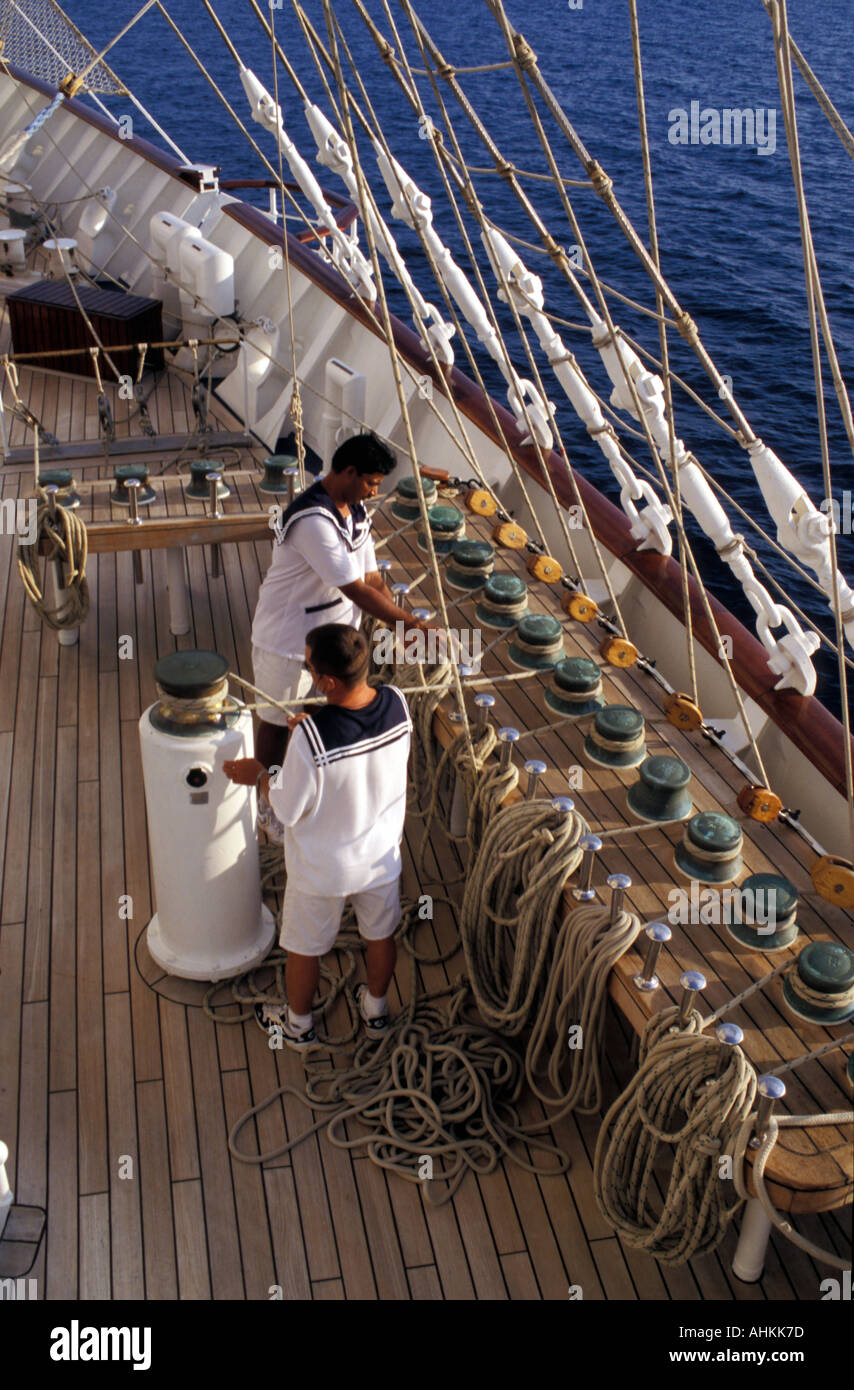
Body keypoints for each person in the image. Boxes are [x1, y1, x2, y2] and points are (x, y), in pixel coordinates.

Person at [223, 623, 411, 1050]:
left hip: (323, 871)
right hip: (380, 859)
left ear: (326, 681)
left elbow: (288, 810)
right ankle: (376, 1013)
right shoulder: (398, 705)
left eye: (309, 667)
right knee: (381, 935)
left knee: (304, 949)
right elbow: (357, 745)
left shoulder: (311, 737)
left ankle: (298, 1027)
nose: (306, 674)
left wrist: (262, 775)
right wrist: (310, 732)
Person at [250, 431, 434, 841]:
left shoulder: (356, 514)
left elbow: (372, 580)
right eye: (370, 482)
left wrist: (399, 626)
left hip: (331, 641)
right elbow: (355, 589)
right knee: (276, 724)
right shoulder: (313, 521)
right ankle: (266, 806)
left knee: (317, 717)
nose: (373, 492)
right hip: (285, 641)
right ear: (349, 472)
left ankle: (303, 794)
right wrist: (412, 626)